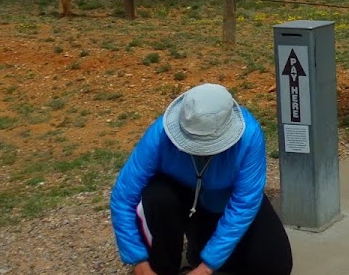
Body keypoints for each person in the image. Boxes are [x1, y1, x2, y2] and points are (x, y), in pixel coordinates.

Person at [110, 83, 293, 275]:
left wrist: (207, 267)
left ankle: (200, 251)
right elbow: (123, 197)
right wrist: (138, 260)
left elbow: (244, 203)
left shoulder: (250, 136)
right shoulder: (160, 134)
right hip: (181, 202)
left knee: (277, 266)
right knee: (157, 195)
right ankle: (163, 266)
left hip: (223, 204)